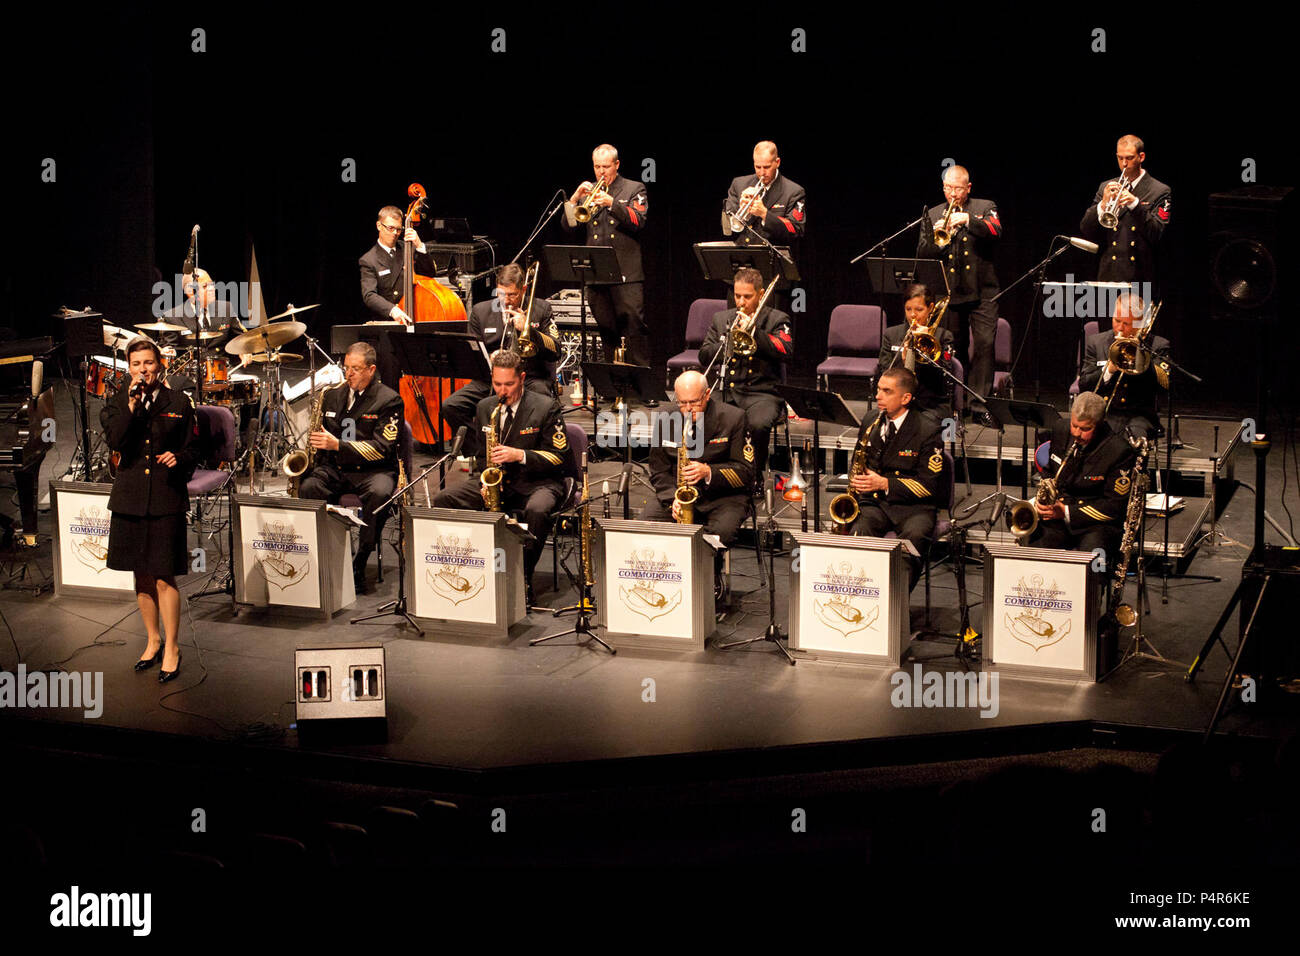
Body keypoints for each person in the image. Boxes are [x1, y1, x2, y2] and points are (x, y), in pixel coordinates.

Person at [431, 350, 567, 602]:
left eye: (509, 384)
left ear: (522, 378)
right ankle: (468, 569)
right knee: (444, 500)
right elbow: (483, 455)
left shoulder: (546, 407)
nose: (502, 391)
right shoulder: (485, 407)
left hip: (538, 482)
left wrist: (520, 455)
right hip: (498, 481)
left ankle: (522, 577)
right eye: (497, 384)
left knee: (537, 510)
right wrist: (484, 479)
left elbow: (559, 457)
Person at [100, 337, 197, 683]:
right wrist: (130, 404)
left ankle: (172, 646)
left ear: (161, 365)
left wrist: (179, 458)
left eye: (149, 363)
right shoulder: (116, 402)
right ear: (129, 368)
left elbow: (193, 450)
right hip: (130, 497)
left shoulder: (179, 401)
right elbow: (116, 441)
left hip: (165, 496)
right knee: (140, 573)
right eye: (136, 364)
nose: (143, 370)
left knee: (162, 573)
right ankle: (152, 639)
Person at [297, 342, 405, 593]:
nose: (349, 374)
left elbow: (382, 448)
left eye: (356, 369)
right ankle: (325, 555)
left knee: (379, 494)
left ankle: (360, 560)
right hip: (336, 468)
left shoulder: (389, 400)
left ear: (371, 369)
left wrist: (338, 445)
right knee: (310, 486)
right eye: (346, 368)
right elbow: (323, 434)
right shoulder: (332, 395)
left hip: (374, 470)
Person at [844, 367, 948, 590]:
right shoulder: (871, 419)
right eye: (878, 389)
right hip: (876, 503)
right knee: (858, 537)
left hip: (915, 508)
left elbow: (928, 486)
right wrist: (858, 482)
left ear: (906, 398)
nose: (878, 396)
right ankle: (862, 596)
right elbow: (858, 461)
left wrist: (885, 483)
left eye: (886, 391)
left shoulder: (929, 429)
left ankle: (895, 605)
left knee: (910, 545)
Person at [441, 263, 559, 453]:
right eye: (501, 294)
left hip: (529, 377)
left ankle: (529, 453)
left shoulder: (541, 308)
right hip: (491, 379)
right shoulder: (481, 311)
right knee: (451, 406)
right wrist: (489, 358)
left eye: (512, 295)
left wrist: (530, 330)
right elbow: (472, 354)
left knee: (543, 403)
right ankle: (481, 452)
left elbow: (556, 350)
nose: (506, 301)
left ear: (524, 289)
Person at [916, 164, 1002, 423]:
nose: (952, 194)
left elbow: (996, 231)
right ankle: (957, 403)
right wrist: (937, 237)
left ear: (968, 188)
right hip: (950, 292)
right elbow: (922, 253)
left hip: (983, 291)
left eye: (957, 188)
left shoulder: (985, 207)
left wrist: (968, 220)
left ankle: (979, 406)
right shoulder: (932, 213)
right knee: (955, 348)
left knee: (985, 345)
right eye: (947, 188)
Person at [560, 144, 652, 382]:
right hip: (597, 272)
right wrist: (575, 198)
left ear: (617, 165)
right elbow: (569, 225)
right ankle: (616, 386)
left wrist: (612, 203)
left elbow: (638, 220)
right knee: (607, 330)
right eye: (597, 167)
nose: (601, 172)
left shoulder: (634, 187)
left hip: (626, 273)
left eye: (606, 167)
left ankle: (642, 385)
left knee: (634, 328)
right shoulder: (588, 194)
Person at [1020, 391, 1137, 567]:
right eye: (1075, 426)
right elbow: (1049, 470)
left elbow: (1114, 507)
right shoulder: (1061, 429)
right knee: (1035, 553)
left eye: (1085, 429)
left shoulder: (1119, 451)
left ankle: (1095, 592)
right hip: (1058, 515)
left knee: (1093, 567)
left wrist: (1066, 512)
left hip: (1097, 524)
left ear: (1099, 425)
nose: (1077, 433)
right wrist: (1043, 498)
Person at [697, 267, 792, 478]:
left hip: (762, 393)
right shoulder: (721, 319)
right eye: (737, 296)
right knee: (701, 416)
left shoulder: (777, 319)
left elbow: (785, 350)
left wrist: (756, 333)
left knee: (757, 424)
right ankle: (714, 475)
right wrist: (728, 342)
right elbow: (704, 356)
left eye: (747, 297)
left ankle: (753, 477)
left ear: (760, 294)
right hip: (728, 390)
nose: (741, 302)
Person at [643, 371, 753, 545]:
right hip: (677, 494)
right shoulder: (666, 417)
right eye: (682, 403)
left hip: (722, 498)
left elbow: (746, 473)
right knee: (645, 528)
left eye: (694, 402)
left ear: (707, 395)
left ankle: (708, 571)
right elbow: (658, 470)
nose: (688, 409)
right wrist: (673, 499)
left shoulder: (734, 418)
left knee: (719, 535)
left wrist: (709, 472)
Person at [1079, 135, 1171, 294]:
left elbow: (1157, 233)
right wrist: (1103, 204)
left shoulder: (1159, 190)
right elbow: (1086, 229)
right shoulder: (1106, 186)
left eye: (1129, 158)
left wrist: (1135, 204)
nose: (1124, 164)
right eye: (1120, 158)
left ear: (1141, 157)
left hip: (1140, 279)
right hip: (1108, 277)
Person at [723, 140, 806, 312]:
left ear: (777, 162)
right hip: (740, 278)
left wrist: (764, 214)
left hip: (773, 277)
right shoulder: (739, 184)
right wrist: (742, 208)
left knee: (767, 332)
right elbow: (729, 228)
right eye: (757, 167)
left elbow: (796, 229)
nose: (762, 173)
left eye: (767, 167)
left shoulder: (793, 191)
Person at [1079, 292, 1170, 439]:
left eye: (1126, 323)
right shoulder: (1096, 342)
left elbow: (1163, 386)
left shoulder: (1158, 345)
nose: (1119, 328)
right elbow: (1084, 385)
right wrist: (1108, 370)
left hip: (1139, 415)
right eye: (1117, 320)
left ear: (1140, 323)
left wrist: (1140, 355)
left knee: (1130, 441)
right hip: (1104, 413)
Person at [878, 283, 955, 417]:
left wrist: (926, 348)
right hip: (898, 404)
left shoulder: (944, 337)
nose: (913, 315)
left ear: (930, 308)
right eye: (908, 309)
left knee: (945, 429)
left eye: (919, 309)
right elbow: (884, 370)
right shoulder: (890, 334)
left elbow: (945, 374)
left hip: (932, 402)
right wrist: (903, 361)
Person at [359, 205, 440, 323]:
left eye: (399, 229)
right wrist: (392, 310)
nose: (395, 233)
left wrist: (419, 245)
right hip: (389, 320)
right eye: (391, 228)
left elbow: (430, 274)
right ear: (379, 226)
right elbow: (369, 295)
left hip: (417, 315)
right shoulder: (369, 260)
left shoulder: (409, 247)